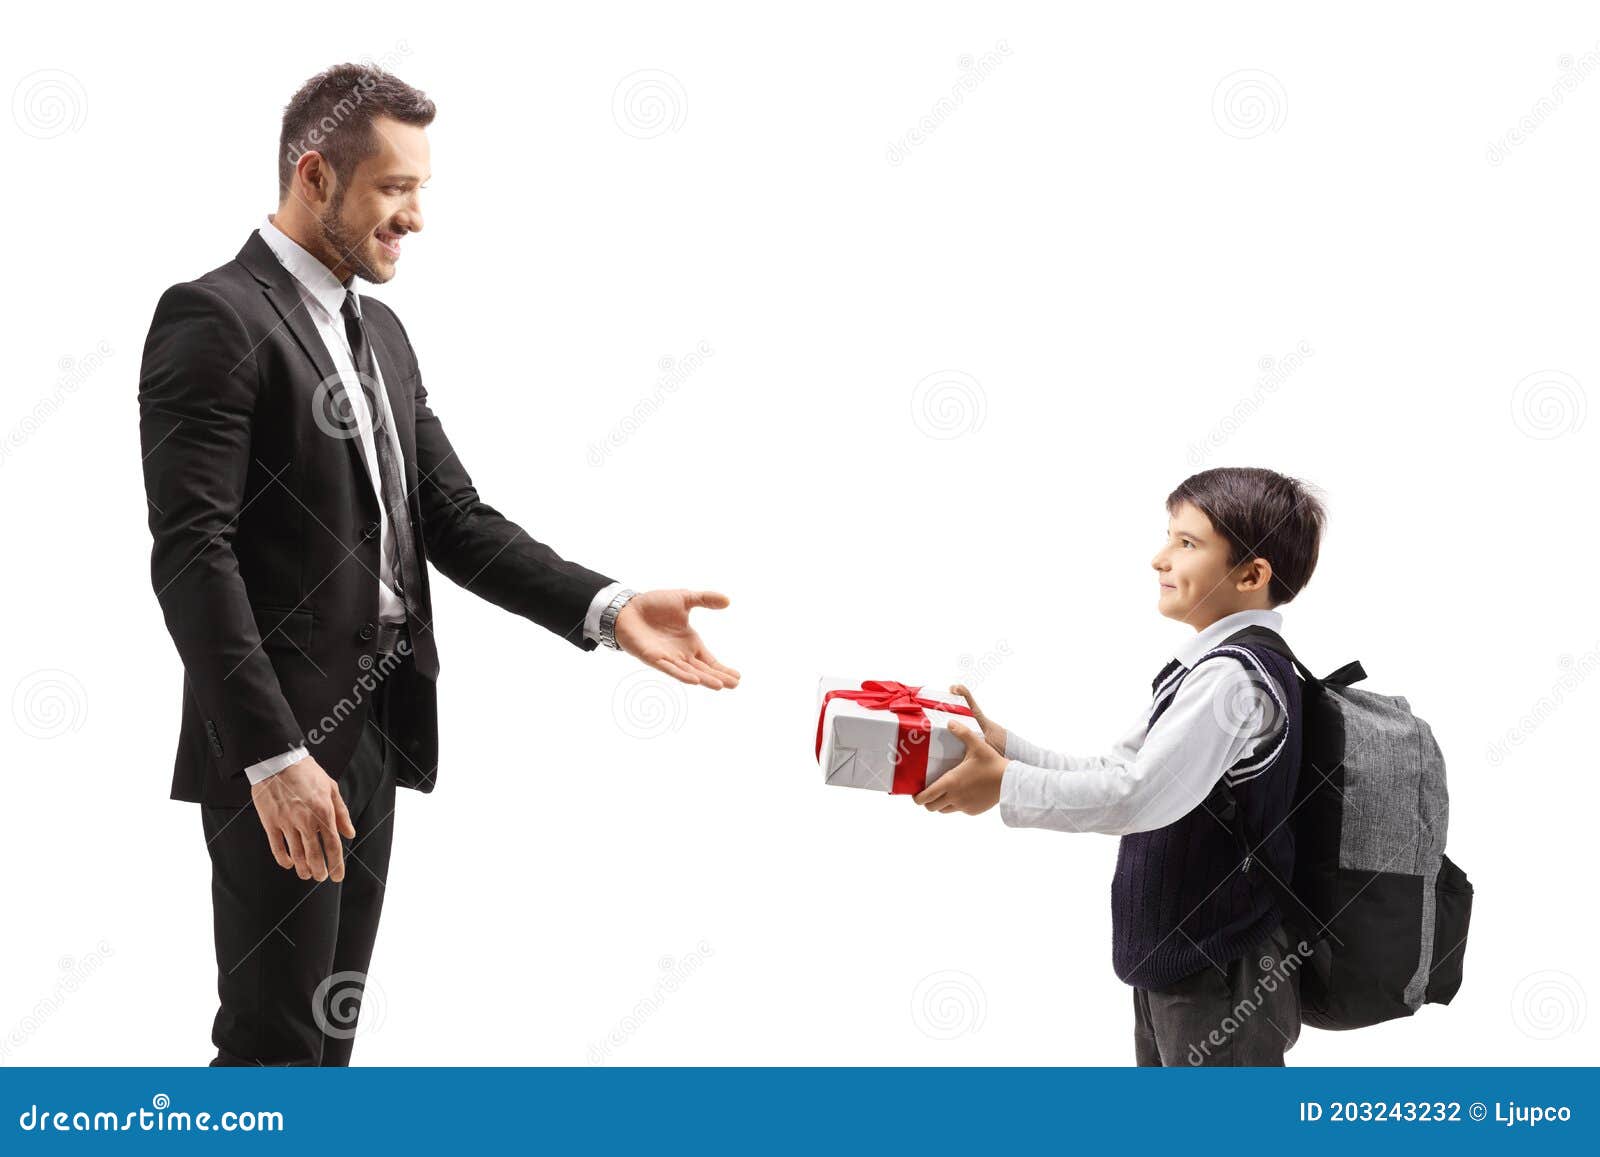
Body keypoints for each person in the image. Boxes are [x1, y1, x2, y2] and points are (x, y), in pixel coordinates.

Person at [137, 63, 739, 1066]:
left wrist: (607, 603)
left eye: (422, 189)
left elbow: (452, 519)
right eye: (394, 187)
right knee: (270, 1048)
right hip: (278, 746)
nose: (414, 217)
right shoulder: (215, 317)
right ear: (316, 175)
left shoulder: (384, 335)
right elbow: (192, 556)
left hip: (375, 728)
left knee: (325, 1047)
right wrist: (274, 757)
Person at [913, 466, 1325, 1065]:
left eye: (1187, 543)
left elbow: (1135, 798)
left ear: (1251, 574)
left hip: (1223, 970)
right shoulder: (1208, 668)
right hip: (1185, 962)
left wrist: (1005, 788)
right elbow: (1118, 767)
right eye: (1169, 536)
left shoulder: (1233, 679)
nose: (1160, 558)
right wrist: (1006, 749)